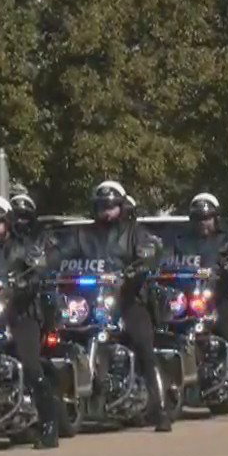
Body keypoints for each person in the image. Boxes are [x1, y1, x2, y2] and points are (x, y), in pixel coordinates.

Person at [53, 179, 172, 432]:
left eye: (111, 206)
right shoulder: (82, 235)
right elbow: (59, 253)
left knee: (144, 344)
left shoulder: (135, 233)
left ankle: (161, 409)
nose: (106, 212)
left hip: (128, 300)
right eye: (101, 207)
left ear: (122, 206)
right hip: (88, 301)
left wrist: (139, 266)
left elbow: (150, 253)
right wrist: (44, 261)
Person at [0, 195, 65, 449]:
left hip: (20, 313)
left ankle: (50, 426)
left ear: (7, 223)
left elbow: (41, 268)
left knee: (30, 363)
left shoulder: (22, 248)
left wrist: (28, 281)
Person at [171, 192, 228, 418]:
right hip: (190, 298)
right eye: (198, 218)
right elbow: (168, 261)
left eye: (207, 218)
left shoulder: (227, 240)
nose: (203, 223)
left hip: (222, 298)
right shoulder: (182, 241)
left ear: (216, 218)